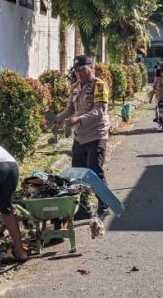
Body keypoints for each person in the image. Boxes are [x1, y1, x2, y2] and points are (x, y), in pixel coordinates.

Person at [56, 55, 112, 217]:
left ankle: (104, 204)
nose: (79, 73)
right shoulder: (75, 87)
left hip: (97, 134)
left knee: (94, 171)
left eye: (82, 70)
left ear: (91, 67)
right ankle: (84, 207)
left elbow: (99, 110)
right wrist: (58, 117)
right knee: (78, 172)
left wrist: (79, 119)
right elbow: (70, 109)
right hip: (80, 136)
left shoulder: (99, 86)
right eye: (76, 71)